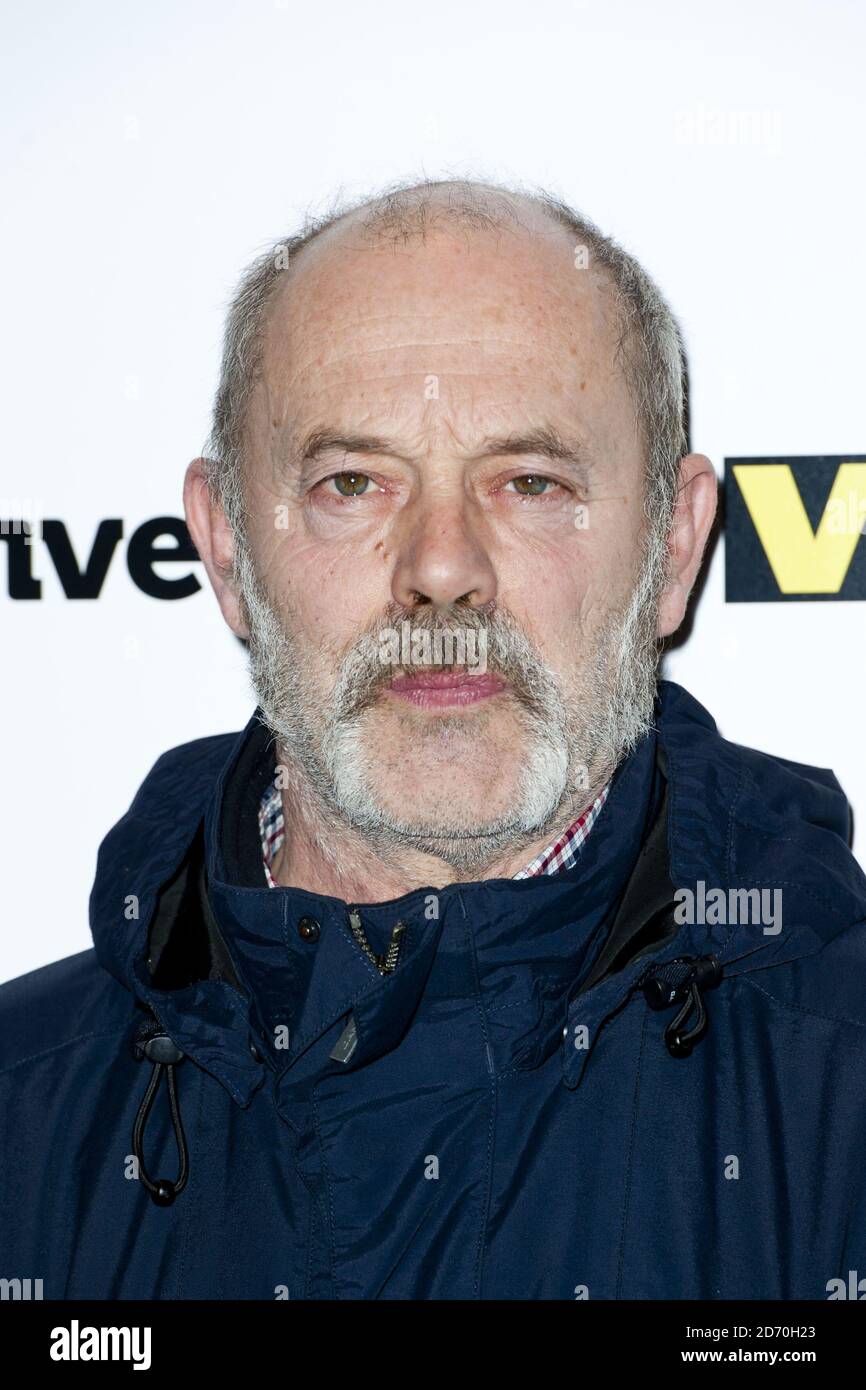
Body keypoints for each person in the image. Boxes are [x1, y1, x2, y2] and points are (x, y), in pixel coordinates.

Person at [2, 178, 865, 1301]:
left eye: (530, 481)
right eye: (352, 482)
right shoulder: (22, 1117)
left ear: (670, 547)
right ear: (223, 551)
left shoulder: (840, 1095)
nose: (442, 567)